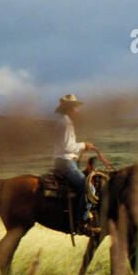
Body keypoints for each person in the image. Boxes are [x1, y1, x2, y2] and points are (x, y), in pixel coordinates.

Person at [53, 93, 103, 228]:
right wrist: (84, 145)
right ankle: (82, 219)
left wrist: (82, 147)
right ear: (69, 108)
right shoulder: (65, 123)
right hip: (66, 164)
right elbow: (67, 147)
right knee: (88, 187)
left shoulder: (64, 122)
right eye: (75, 107)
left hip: (63, 162)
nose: (77, 110)